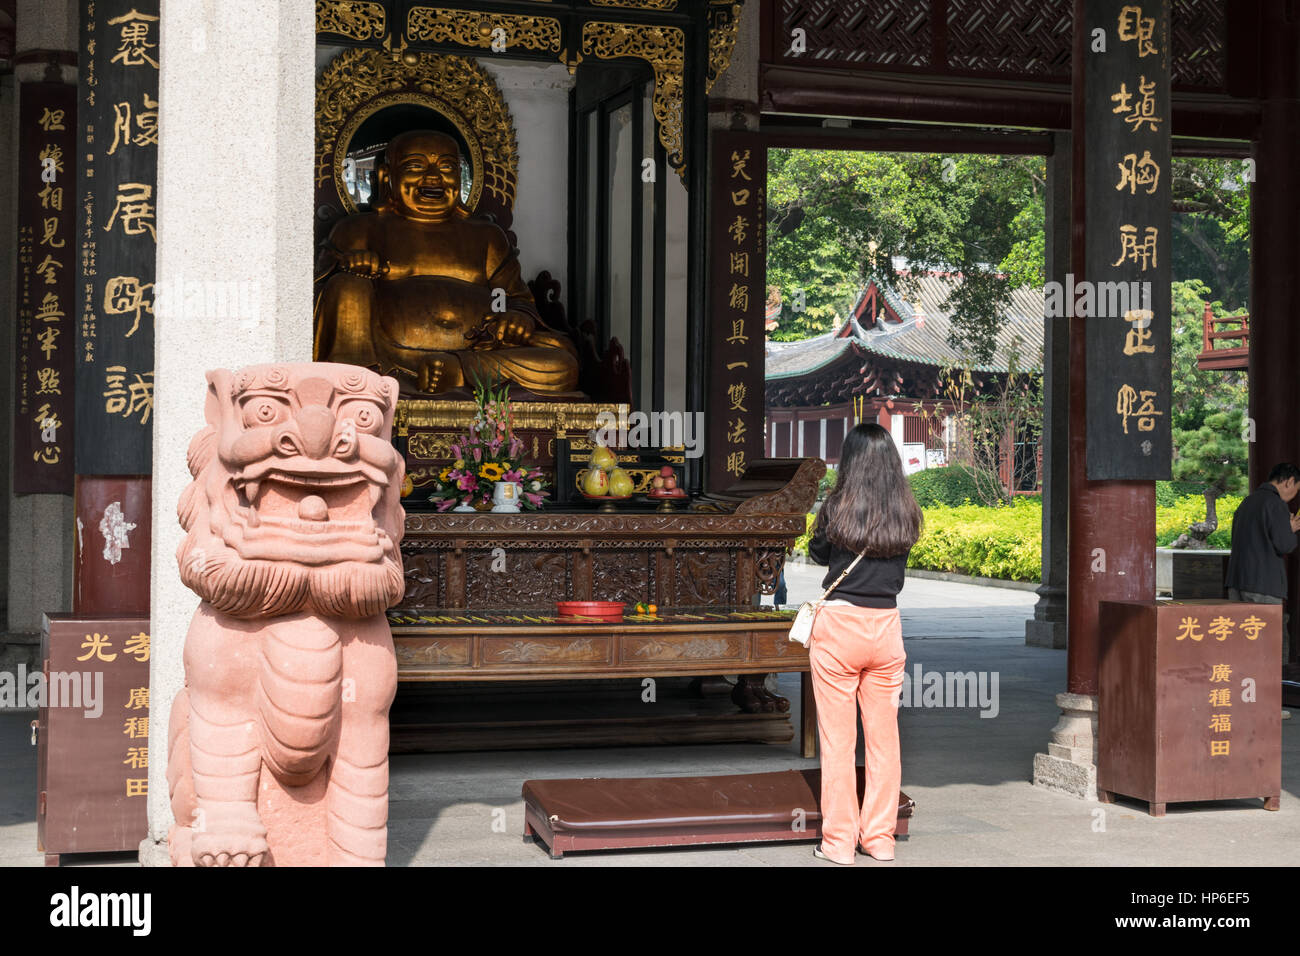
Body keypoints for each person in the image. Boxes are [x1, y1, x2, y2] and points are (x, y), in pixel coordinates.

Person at [805, 423, 923, 865]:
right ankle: (880, 839)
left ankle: (838, 844)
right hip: (886, 627)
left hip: (840, 627)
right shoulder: (906, 508)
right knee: (884, 740)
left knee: (837, 742)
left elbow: (818, 554)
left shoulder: (837, 505)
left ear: (850, 460)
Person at [1226, 462, 1300, 631]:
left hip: (1237, 581)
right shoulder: (1276, 503)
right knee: (1267, 641)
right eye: (1297, 489)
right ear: (1289, 481)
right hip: (1263, 584)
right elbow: (1284, 545)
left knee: (1242, 638)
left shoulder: (1247, 501)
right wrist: (1291, 529)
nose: (1295, 494)